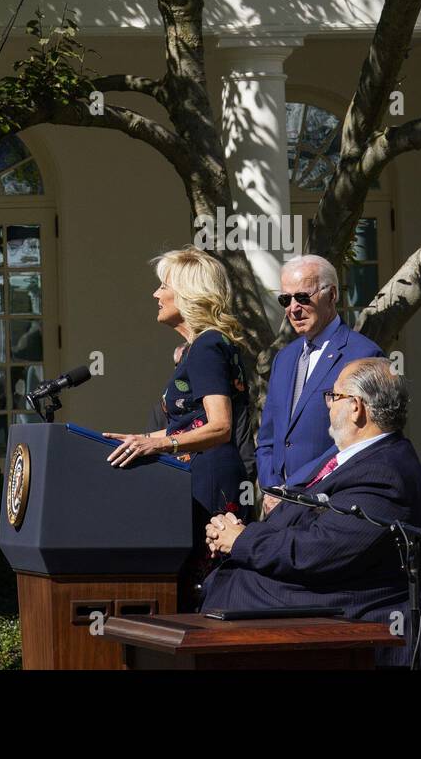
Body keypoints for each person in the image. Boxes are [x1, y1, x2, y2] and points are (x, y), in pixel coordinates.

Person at [201, 358, 421, 668]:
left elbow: (318, 549)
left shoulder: (385, 473)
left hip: (345, 606)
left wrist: (242, 540)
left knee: (232, 589)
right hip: (316, 586)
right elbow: (304, 521)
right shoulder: (359, 458)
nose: (328, 405)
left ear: (356, 407)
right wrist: (237, 532)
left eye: (333, 396)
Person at [103, 246, 251, 609]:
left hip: (210, 476)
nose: (155, 294)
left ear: (187, 293)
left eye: (162, 286)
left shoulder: (206, 346)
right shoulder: (203, 346)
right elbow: (191, 422)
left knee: (206, 585)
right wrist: (140, 440)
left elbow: (219, 426)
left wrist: (159, 446)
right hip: (205, 471)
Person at [256, 255, 382, 512]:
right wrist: (271, 490)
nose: (293, 308)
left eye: (303, 297)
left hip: (329, 503)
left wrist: (298, 492)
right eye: (285, 300)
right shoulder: (284, 358)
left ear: (332, 295)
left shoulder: (363, 355)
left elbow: (361, 441)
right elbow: (269, 438)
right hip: (279, 507)